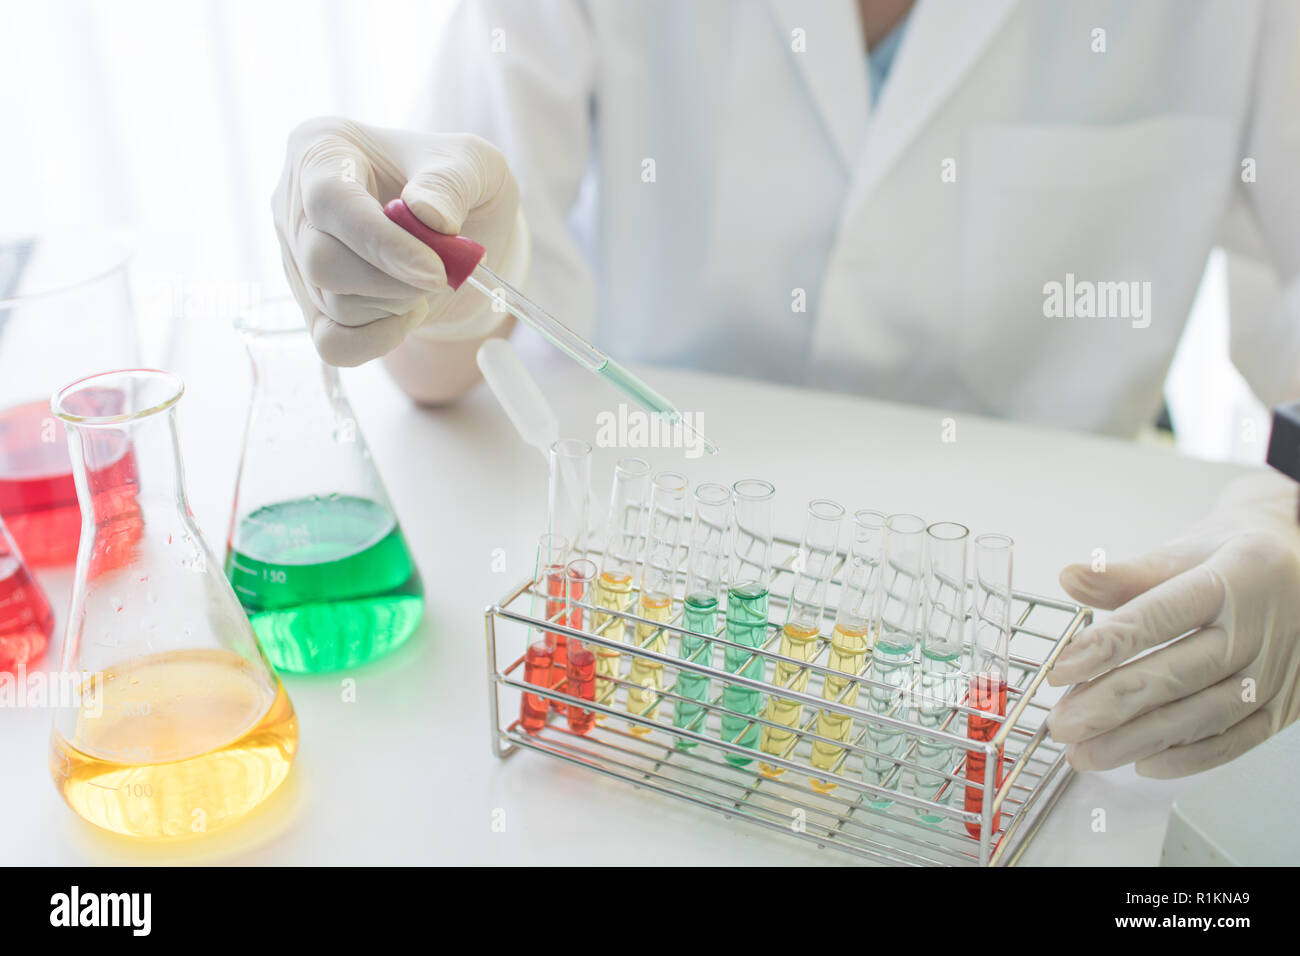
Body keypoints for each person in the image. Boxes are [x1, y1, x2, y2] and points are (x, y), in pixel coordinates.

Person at [271, 0, 1300, 778]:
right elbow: (441, 363)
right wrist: (416, 280)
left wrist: (1288, 511)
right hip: (657, 583)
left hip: (1045, 635)